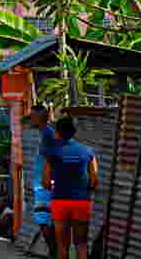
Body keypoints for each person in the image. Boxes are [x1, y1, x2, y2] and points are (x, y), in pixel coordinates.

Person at [43, 117, 98, 259]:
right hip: (81, 202)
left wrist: (56, 185)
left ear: (57, 132)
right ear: (74, 131)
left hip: (60, 202)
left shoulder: (51, 153)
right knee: (81, 244)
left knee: (62, 245)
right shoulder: (88, 151)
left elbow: (46, 182)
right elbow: (94, 181)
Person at [30, 104, 58, 259]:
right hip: (42, 184)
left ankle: (54, 253)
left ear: (41, 117)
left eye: (33, 116)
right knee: (45, 220)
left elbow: (53, 159)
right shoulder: (44, 133)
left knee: (43, 220)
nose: (31, 118)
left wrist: (50, 181)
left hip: (45, 185)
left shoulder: (48, 134)